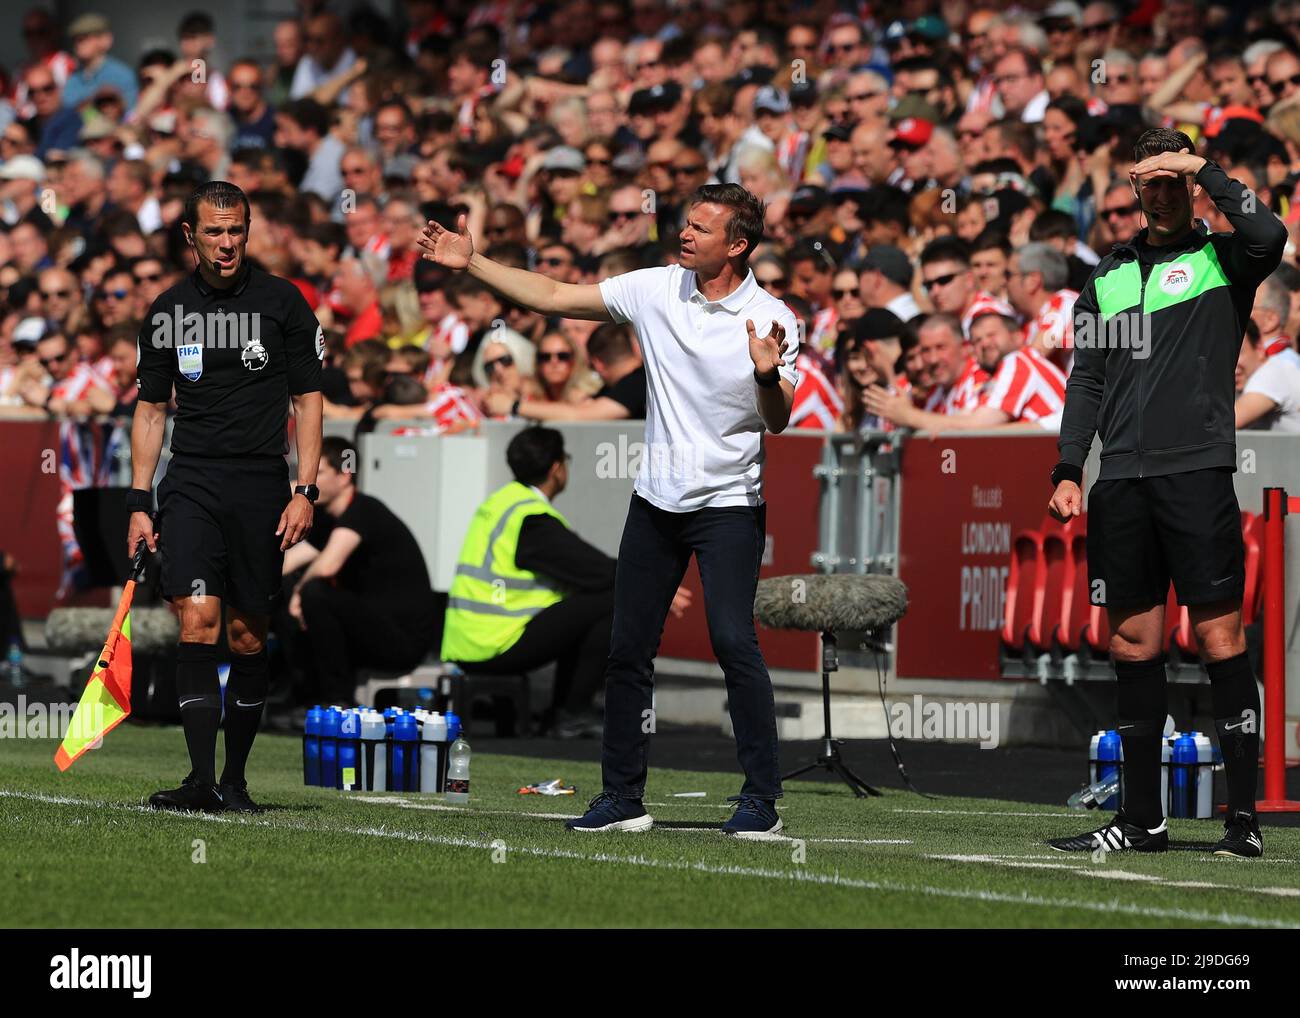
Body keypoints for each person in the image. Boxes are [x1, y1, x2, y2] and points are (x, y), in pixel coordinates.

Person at [418, 181, 798, 837]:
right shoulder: (656, 288)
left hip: (729, 505)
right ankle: (622, 798)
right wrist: (473, 262)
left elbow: (778, 419)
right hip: (655, 501)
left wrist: (766, 375)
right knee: (626, 650)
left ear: (737, 245)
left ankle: (761, 800)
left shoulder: (772, 317)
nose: (684, 233)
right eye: (686, 222)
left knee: (735, 644)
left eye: (701, 228)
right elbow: (555, 296)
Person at [1047, 129, 1287, 859]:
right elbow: (1087, 374)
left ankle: (1242, 821)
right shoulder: (1107, 276)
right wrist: (1067, 468)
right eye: (1148, 180)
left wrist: (1205, 169)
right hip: (1120, 479)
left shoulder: (1223, 257)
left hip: (1195, 473)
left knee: (1220, 640)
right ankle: (1143, 821)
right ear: (1133, 189)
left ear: (1185, 183)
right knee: (1132, 644)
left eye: (1171, 178)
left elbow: (1270, 231)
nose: (1161, 191)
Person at [129, 180, 324, 814]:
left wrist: (305, 488)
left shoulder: (284, 303)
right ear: (191, 236)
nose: (227, 242)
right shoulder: (165, 311)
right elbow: (152, 410)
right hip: (191, 483)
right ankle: (199, 780)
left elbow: (308, 401)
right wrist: (139, 499)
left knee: (245, 636)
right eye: (213, 232)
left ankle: (236, 781)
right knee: (198, 621)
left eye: (236, 229)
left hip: (262, 483)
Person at [442, 427, 691, 738]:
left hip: (471, 641)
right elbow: (594, 569)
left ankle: (565, 711)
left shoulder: (503, 502)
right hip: (494, 643)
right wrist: (655, 586)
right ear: (556, 469)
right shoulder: (531, 517)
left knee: (598, 598)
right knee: (614, 596)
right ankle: (571, 713)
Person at [284, 437, 439, 705]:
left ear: (345, 476)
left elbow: (328, 564)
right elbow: (288, 563)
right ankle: (288, 691)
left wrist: (299, 593)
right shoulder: (328, 520)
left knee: (314, 593)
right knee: (279, 590)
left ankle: (338, 701)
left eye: (318, 473)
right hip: (369, 627)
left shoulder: (363, 510)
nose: (307, 481)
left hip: (401, 639)